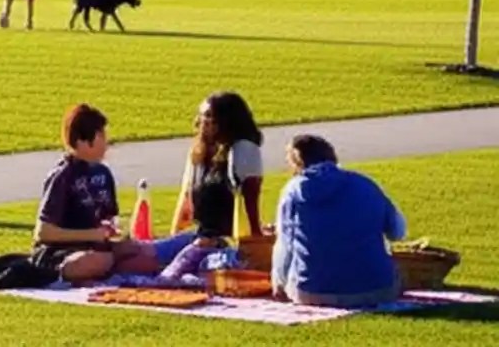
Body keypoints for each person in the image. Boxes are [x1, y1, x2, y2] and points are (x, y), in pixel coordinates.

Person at [32, 104, 195, 283]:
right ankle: (67, 274)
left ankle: (114, 268)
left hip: (101, 248)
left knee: (140, 255)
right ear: (82, 142)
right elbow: (43, 233)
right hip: (62, 252)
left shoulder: (103, 173)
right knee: (94, 261)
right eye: (101, 136)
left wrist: (115, 232)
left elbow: (109, 219)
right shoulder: (62, 176)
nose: (106, 142)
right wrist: (91, 235)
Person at [272, 135, 407, 307]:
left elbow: (285, 245)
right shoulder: (365, 184)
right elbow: (397, 232)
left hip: (311, 292)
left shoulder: (293, 191)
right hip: (377, 289)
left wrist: (278, 283)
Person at [160, 92, 265, 279]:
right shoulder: (199, 152)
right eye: (202, 116)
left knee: (174, 273)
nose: (204, 122)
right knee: (134, 254)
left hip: (224, 244)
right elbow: (187, 199)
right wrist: (175, 233)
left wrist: (256, 237)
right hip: (199, 235)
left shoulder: (242, 150)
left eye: (210, 117)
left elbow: (250, 198)